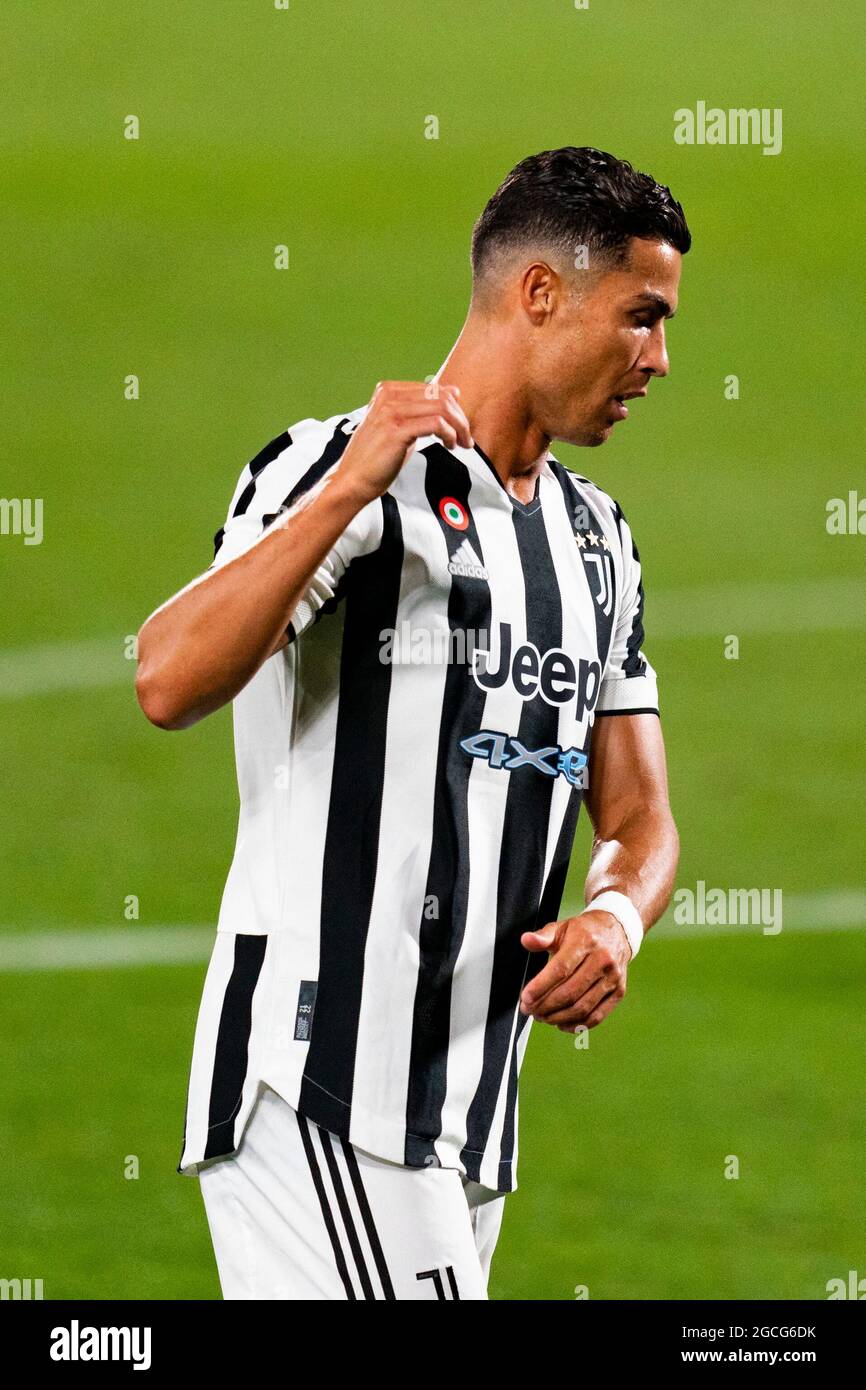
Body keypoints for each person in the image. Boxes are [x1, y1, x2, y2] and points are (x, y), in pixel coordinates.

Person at [135, 146, 688, 1300]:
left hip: (468, 1119)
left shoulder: (597, 545)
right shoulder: (339, 468)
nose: (659, 359)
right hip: (323, 1088)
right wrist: (343, 490)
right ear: (540, 293)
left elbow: (638, 818)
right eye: (639, 318)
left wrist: (614, 920)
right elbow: (168, 678)